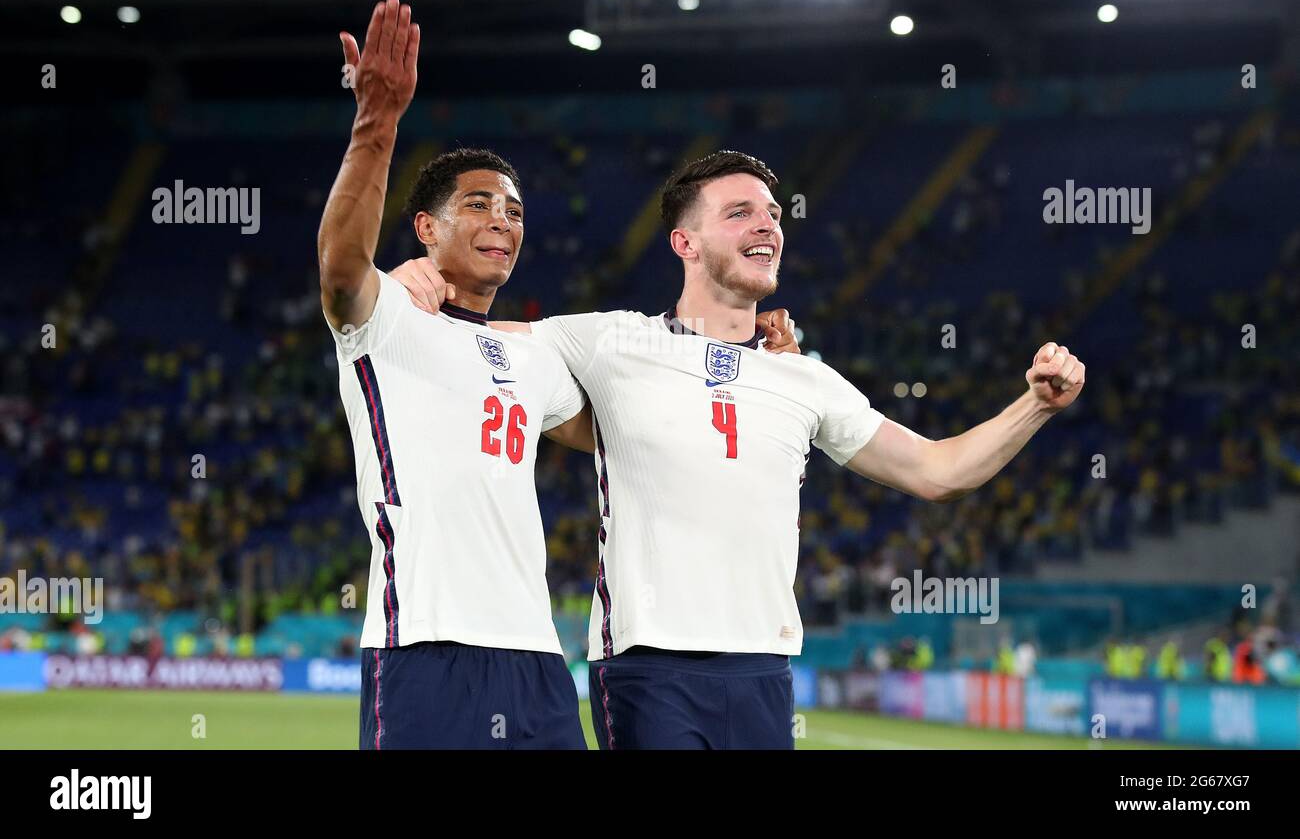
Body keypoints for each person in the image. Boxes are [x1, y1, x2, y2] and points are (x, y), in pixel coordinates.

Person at [393, 149, 1087, 750]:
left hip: (764, 673)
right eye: (739, 213)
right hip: (648, 668)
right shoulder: (612, 341)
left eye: (773, 214)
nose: (767, 225)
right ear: (684, 242)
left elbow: (940, 470)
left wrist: (1036, 405)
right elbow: (472, 342)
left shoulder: (805, 378)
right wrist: (401, 287)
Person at [320, 0, 799, 749]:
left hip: (539, 666)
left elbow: (650, 426)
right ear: (426, 228)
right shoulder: (388, 321)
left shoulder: (533, 357)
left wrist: (748, 367)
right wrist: (376, 126)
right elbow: (342, 268)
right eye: (478, 205)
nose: (503, 221)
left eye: (514, 211)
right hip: (425, 647)